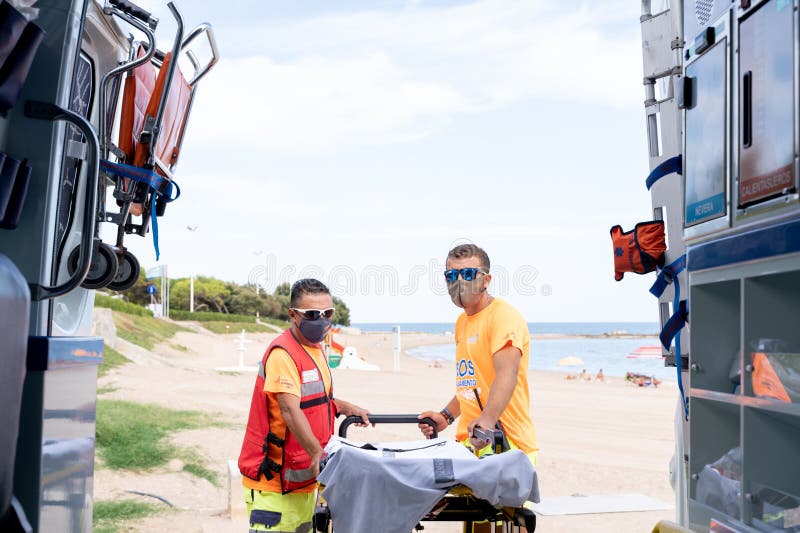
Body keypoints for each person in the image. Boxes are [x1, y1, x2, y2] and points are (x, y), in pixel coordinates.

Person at [418, 244, 538, 533]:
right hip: (473, 444)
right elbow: (471, 384)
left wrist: (487, 419)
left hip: (507, 443)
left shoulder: (503, 318)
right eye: (451, 275)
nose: (459, 281)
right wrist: (445, 416)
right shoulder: (463, 322)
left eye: (469, 273)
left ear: (486, 279)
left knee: (510, 524)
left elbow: (506, 375)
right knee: (477, 525)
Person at [238, 279, 370, 532]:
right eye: (311, 314)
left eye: (327, 313)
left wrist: (346, 407)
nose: (321, 320)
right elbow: (289, 409)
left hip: (305, 480)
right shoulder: (283, 354)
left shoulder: (315, 350)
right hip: (275, 484)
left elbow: (316, 400)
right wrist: (316, 454)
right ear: (293, 315)